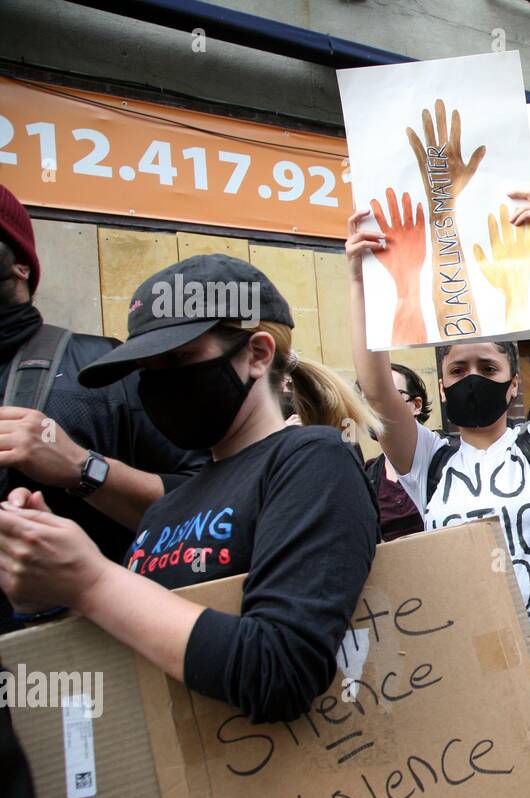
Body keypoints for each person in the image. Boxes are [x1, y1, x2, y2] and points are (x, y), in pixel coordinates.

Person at [0, 253, 380, 728]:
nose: (160, 385)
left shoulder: (310, 458)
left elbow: (282, 670)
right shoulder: (168, 507)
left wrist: (89, 581)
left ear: (257, 355)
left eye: (180, 359)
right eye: (148, 369)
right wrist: (44, 581)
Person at [347, 190, 530, 798]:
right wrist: (360, 281)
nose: (471, 379)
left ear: (513, 382)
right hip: (471, 689)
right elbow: (375, 389)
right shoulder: (427, 465)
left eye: (486, 369)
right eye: (457, 370)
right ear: (439, 384)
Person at [0, 189, 205, 798]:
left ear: (19, 264)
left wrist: (81, 467)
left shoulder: (101, 372)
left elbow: (209, 507)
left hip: (76, 695)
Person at [365, 363, 433, 541]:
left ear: (416, 405)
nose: (377, 409)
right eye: (367, 401)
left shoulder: (448, 458)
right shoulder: (367, 475)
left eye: (391, 397)